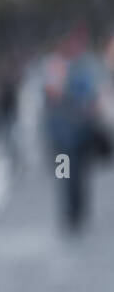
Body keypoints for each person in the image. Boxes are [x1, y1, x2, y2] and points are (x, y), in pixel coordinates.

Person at [42, 24, 104, 235]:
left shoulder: (87, 65)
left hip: (81, 133)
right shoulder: (56, 65)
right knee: (64, 176)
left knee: (81, 175)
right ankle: (68, 213)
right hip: (61, 136)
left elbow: (95, 97)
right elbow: (52, 94)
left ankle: (77, 211)